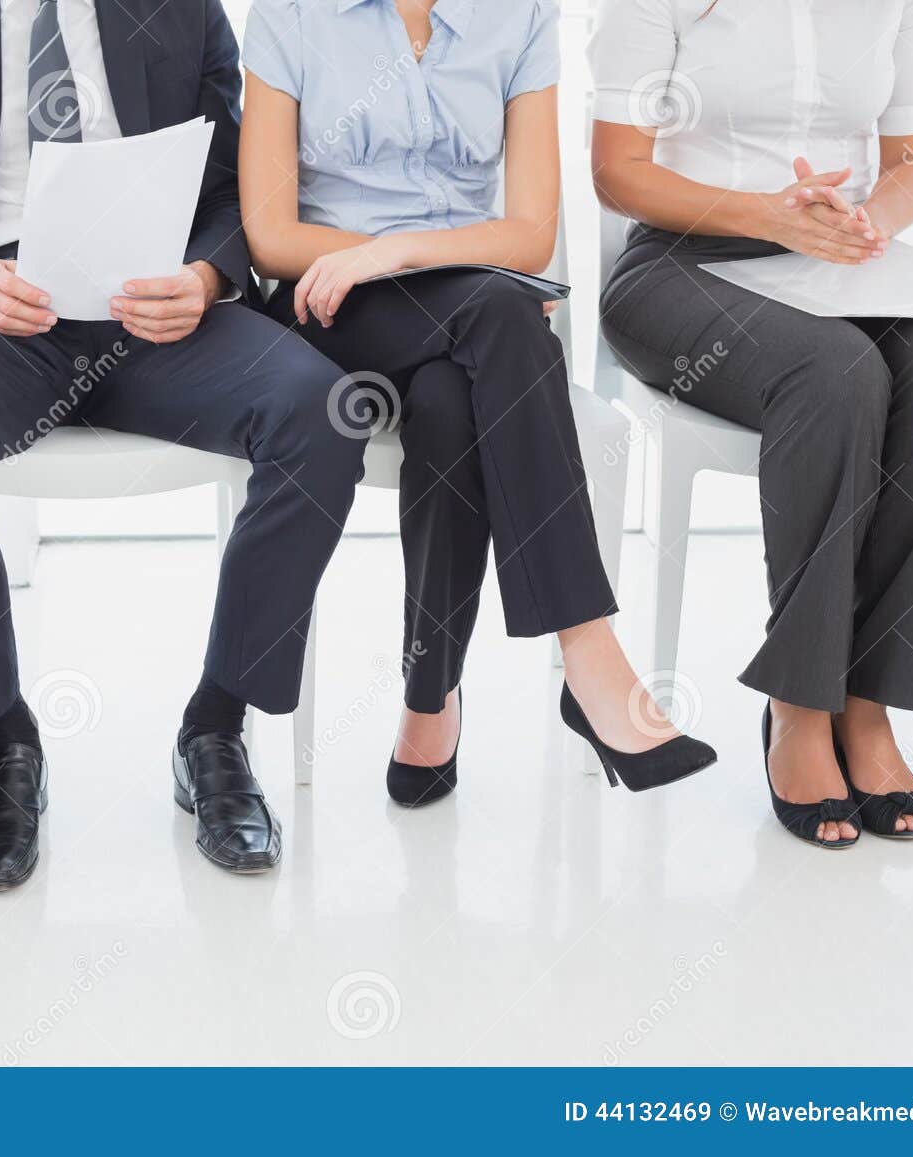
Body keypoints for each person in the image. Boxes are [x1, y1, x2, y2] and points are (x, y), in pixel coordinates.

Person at [0, 0, 366, 889]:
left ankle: (216, 726)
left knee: (321, 409)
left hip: (155, 307)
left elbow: (244, 185)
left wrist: (205, 277)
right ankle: (3, 740)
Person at [239, 0, 716, 807]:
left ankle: (429, 700)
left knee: (452, 398)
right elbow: (271, 235)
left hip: (467, 318)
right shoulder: (290, 13)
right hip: (331, 308)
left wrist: (410, 251)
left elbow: (531, 233)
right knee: (501, 314)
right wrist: (384, 261)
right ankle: (589, 651)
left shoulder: (521, 15)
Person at [591, 0, 913, 845]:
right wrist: (765, 214)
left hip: (838, 254)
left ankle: (867, 699)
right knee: (837, 374)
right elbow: (618, 170)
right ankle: (801, 705)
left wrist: (863, 223)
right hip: (684, 260)